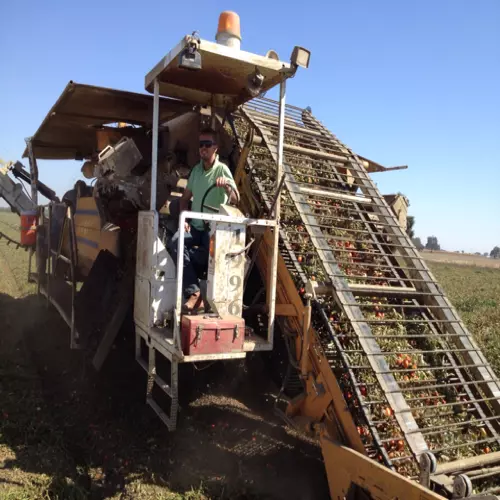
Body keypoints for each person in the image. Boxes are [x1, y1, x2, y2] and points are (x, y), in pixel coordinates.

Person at [168, 128, 239, 312]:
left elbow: (236, 199)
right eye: (201, 145)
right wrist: (184, 220)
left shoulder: (222, 170)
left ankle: (217, 300)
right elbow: (184, 199)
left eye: (207, 144)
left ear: (216, 147)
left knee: (213, 256)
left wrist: (227, 188)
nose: (203, 148)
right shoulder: (196, 171)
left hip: (212, 229)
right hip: (195, 227)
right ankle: (195, 293)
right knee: (176, 242)